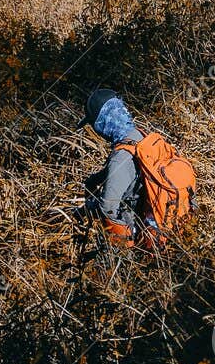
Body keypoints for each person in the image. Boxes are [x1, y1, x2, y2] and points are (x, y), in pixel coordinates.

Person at [80, 88, 196, 246]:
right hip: (172, 217)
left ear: (102, 122)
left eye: (94, 124)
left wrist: (123, 248)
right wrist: (96, 179)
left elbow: (108, 208)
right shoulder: (141, 136)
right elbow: (130, 168)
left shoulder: (120, 156)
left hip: (145, 234)